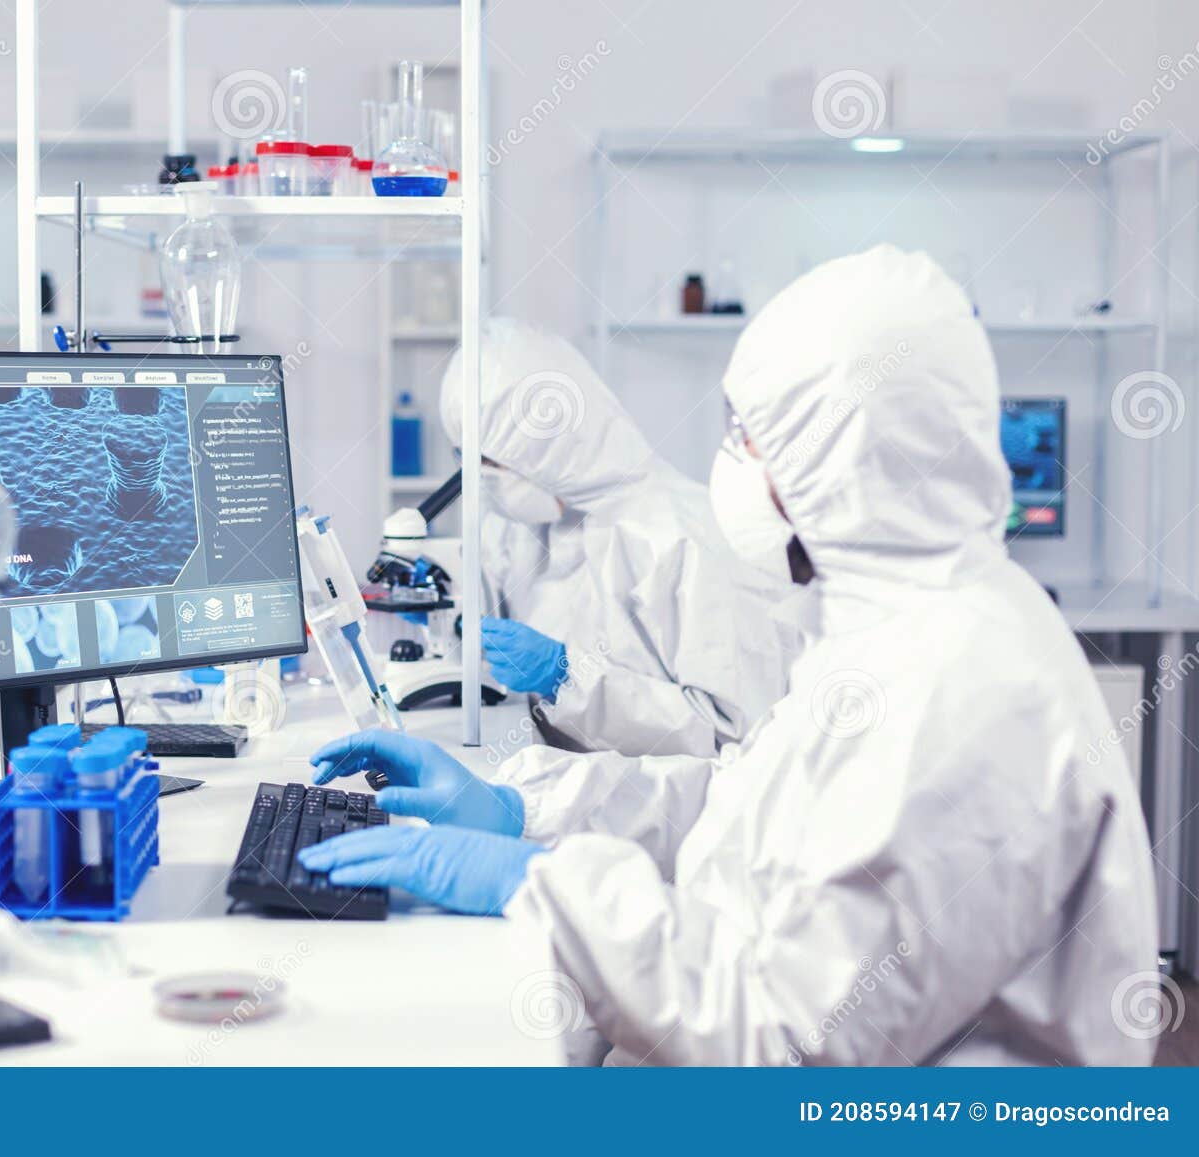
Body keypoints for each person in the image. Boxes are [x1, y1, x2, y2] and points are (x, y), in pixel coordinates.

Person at [303, 246, 1159, 1065]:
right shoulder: (892, 627)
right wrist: (521, 806)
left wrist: (539, 886)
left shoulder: (964, 687)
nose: (733, 462)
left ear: (848, 459)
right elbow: (741, 796)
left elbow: (779, 1030)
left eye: (755, 438)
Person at [437, 320, 795, 758]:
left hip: (665, 817)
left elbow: (732, 736)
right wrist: (446, 608)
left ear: (548, 449)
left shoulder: (685, 539)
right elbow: (487, 630)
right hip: (564, 791)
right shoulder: (526, 526)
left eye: (491, 463)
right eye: (469, 460)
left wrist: (567, 678)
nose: (485, 481)